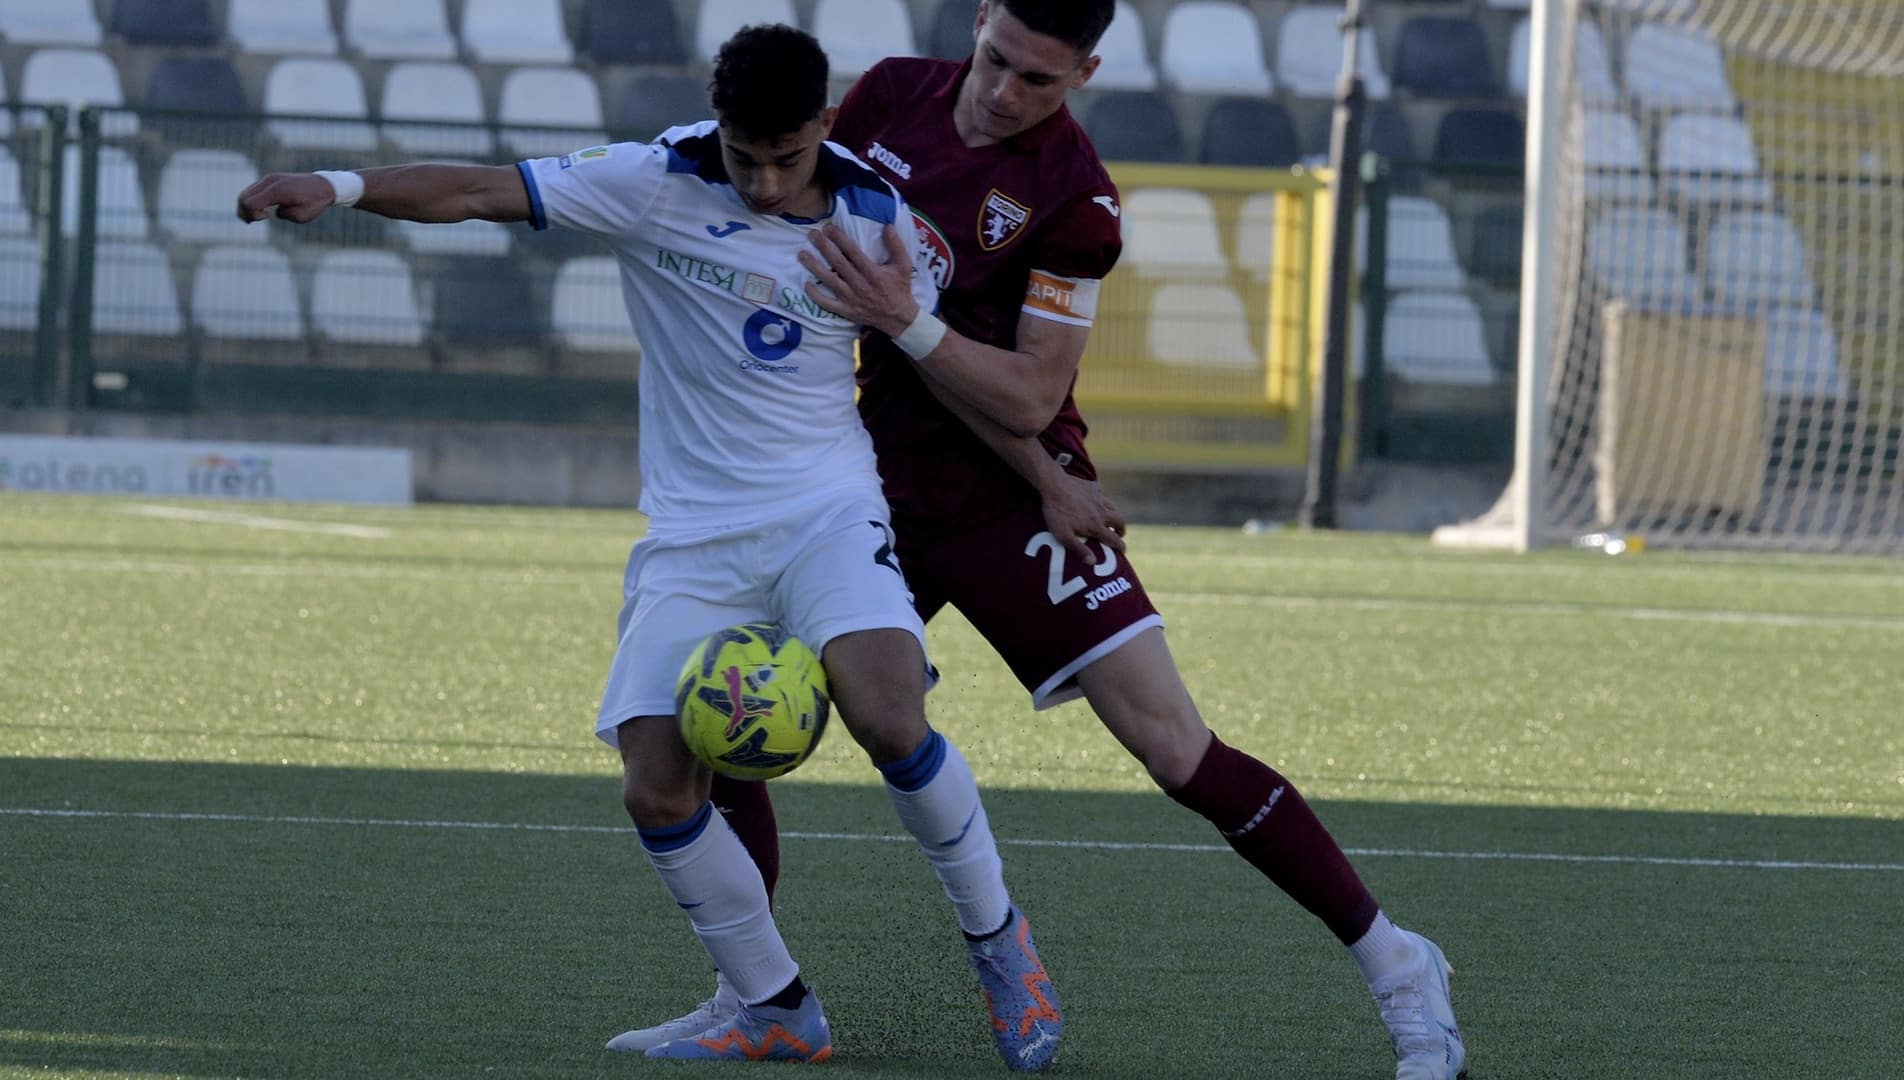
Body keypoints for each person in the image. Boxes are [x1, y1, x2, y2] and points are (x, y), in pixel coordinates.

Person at [620, 3, 1469, 1079]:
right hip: (859, 489)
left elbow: (1027, 394)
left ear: (1085, 74)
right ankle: (754, 997)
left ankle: (1401, 970)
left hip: (1022, 499)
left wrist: (925, 344)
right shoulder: (884, 98)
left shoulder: (1076, 197)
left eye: (1038, 80)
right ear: (978, 24)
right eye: (996, 61)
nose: (1004, 92)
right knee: (734, 706)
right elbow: (772, 202)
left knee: (1174, 746)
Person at [236, 24, 1063, 1071]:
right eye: (744, 156)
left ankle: (1000, 943)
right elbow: (479, 191)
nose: (763, 184)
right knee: (657, 787)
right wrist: (341, 184)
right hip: (693, 537)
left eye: (786, 157)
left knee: (890, 714)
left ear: (823, 127)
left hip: (826, 510)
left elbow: (943, 375)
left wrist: (1045, 474)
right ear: (719, 128)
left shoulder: (875, 215)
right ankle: (772, 1004)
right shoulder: (650, 180)